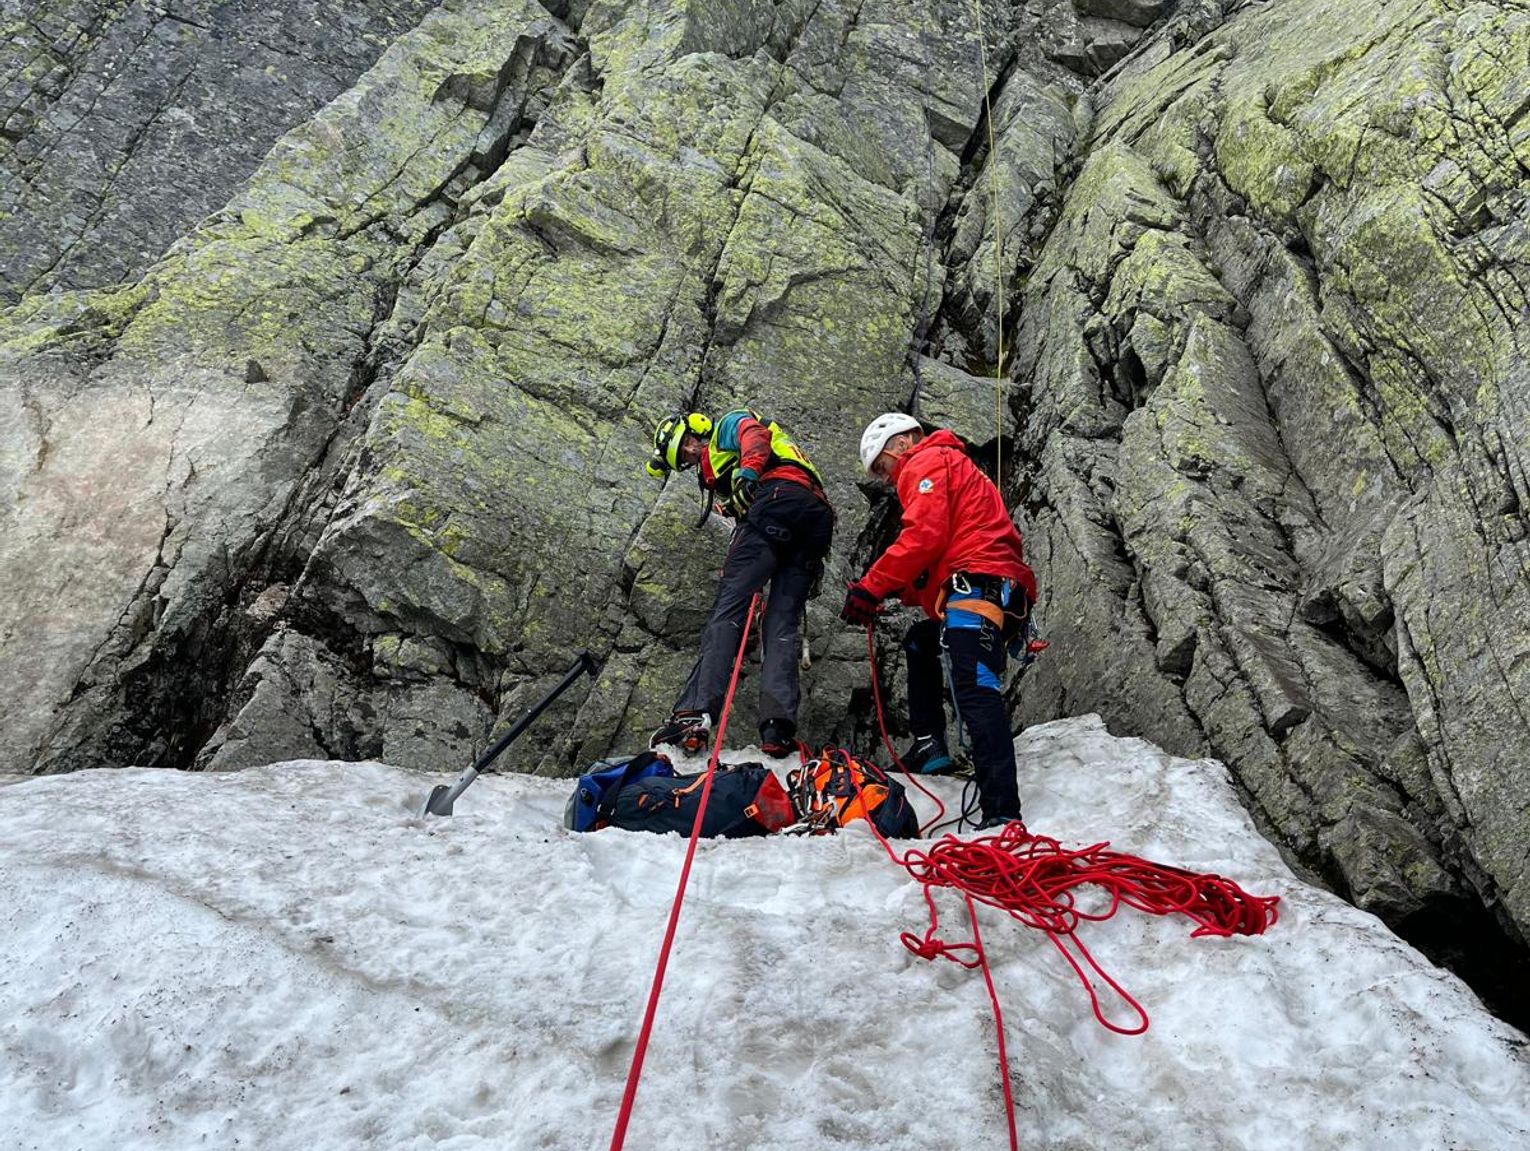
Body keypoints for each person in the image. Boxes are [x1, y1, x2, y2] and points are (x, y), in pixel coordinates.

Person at [840, 412, 1038, 829]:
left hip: (978, 586)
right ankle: (931, 744)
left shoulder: (926, 462)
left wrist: (871, 586)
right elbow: (937, 558)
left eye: (882, 466)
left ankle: (1002, 810)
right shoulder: (948, 464)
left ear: (900, 444)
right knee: (920, 641)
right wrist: (895, 590)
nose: (886, 477)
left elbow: (923, 536)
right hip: (987, 587)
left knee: (976, 689)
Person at [645, 409, 834, 757]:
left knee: (729, 610)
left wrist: (747, 475)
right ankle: (777, 729)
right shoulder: (771, 459)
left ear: (698, 428)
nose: (691, 452)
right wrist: (734, 502)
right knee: (781, 624)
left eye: (688, 443)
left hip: (775, 500)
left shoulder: (728, 426)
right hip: (815, 517)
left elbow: (754, 435)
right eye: (683, 456)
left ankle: (694, 713)